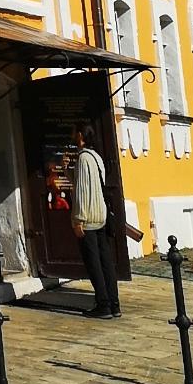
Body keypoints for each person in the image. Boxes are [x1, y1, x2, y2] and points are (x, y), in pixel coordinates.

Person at [71, 126, 121, 317]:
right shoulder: (96, 157)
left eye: (74, 133)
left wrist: (78, 219)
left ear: (81, 136)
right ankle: (114, 303)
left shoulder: (83, 158)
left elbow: (83, 191)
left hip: (89, 217)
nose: (73, 137)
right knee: (106, 260)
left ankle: (103, 304)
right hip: (101, 214)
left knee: (94, 263)